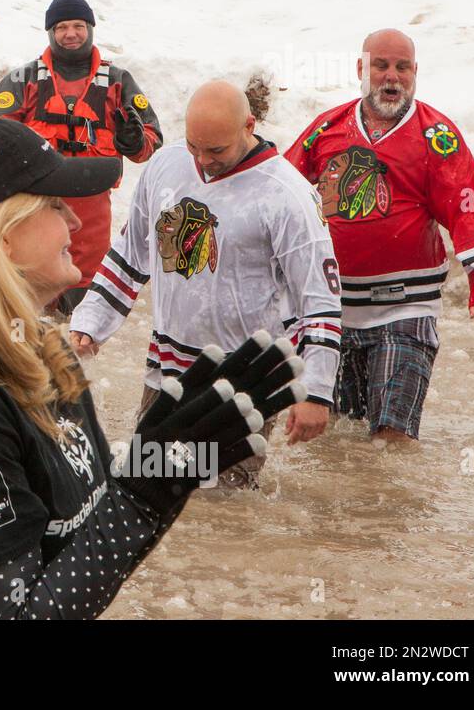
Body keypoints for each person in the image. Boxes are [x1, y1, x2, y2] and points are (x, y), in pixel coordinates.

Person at [0, 117, 306, 619]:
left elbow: (85, 535)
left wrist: (163, 467)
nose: (76, 222)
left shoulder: (44, 352)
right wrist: (141, 495)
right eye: (54, 204)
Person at [69, 81, 337, 488]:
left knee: (226, 513)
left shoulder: (287, 194)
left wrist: (315, 391)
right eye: (195, 146)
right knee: (145, 495)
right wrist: (90, 321)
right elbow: (131, 251)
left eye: (216, 151)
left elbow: (318, 297)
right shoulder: (166, 165)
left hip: (243, 384)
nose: (203, 161)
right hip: (166, 375)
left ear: (249, 125)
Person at [284, 29, 474, 442]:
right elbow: (280, 195)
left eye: (402, 67)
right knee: (334, 439)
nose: (392, 77)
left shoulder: (437, 137)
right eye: (381, 65)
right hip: (331, 311)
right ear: (361, 70)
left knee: (390, 440)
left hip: (406, 308)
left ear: (415, 72)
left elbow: (467, 205)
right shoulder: (326, 128)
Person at [0, 0, 162, 313]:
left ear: (90, 29)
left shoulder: (118, 81)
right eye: (62, 27)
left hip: (92, 218)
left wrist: (133, 141)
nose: (70, 34)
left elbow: (150, 140)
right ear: (50, 32)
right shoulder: (25, 79)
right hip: (35, 211)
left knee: (83, 320)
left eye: (78, 26)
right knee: (29, 311)